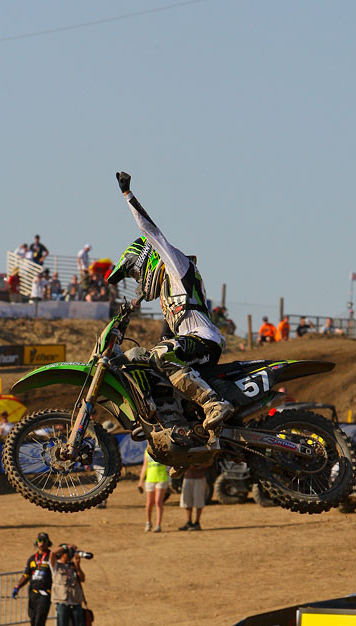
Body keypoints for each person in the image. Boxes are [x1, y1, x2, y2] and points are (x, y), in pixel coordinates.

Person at [107, 171, 234, 441]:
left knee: (162, 354)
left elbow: (150, 231)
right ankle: (174, 428)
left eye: (134, 272)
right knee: (136, 358)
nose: (137, 279)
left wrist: (127, 195)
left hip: (204, 341)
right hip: (189, 343)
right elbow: (165, 337)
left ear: (146, 259)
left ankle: (213, 403)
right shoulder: (168, 296)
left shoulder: (176, 267)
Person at [49, 543, 87, 626]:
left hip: (75, 602)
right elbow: (52, 554)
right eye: (67, 553)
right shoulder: (56, 566)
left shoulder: (73, 566)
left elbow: (82, 578)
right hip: (62, 602)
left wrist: (77, 565)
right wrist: (65, 546)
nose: (69, 555)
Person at [13, 532, 53, 626]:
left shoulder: (51, 556)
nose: (42, 543)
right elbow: (26, 575)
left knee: (40, 619)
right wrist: (17, 587)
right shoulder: (32, 558)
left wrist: (65, 547)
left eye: (44, 541)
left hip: (45, 593)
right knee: (33, 619)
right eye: (40, 541)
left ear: (48, 543)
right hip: (33, 593)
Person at [138, 448, 169, 533]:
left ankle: (158, 525)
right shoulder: (146, 451)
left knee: (158, 502)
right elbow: (145, 466)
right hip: (150, 479)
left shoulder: (163, 449)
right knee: (149, 503)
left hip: (161, 478)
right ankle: (148, 522)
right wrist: (140, 481)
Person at [178, 465, 208, 531]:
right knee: (187, 501)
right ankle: (189, 522)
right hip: (188, 477)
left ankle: (197, 522)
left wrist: (198, 467)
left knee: (199, 501)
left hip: (199, 477)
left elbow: (209, 462)